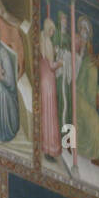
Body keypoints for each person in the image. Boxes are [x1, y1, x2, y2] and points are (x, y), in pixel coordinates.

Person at [72, 17, 99, 164]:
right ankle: (93, 155)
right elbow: (80, 82)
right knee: (96, 124)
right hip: (80, 97)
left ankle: (92, 153)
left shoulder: (94, 68)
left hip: (87, 100)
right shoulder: (88, 63)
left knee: (94, 123)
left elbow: (94, 86)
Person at [39, 18, 61, 158]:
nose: (53, 32)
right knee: (49, 113)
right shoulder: (47, 42)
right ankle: (49, 148)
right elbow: (52, 66)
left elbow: (46, 59)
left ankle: (44, 144)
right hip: (48, 81)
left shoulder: (43, 40)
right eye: (51, 29)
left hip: (44, 79)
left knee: (46, 111)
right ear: (48, 30)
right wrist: (61, 62)